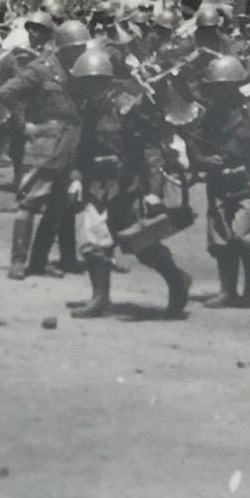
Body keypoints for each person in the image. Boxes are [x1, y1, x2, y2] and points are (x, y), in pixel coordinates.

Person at [63, 47, 193, 318]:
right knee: (92, 241)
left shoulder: (128, 108)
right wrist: (75, 178)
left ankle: (177, 279)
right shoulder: (90, 109)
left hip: (128, 185)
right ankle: (100, 298)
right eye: (83, 83)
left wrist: (154, 191)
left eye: (91, 83)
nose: (86, 89)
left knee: (141, 244)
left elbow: (150, 151)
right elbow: (82, 149)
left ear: (103, 82)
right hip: (97, 185)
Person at [0, 18, 90, 280]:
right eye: (75, 48)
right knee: (29, 204)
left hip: (69, 146)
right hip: (42, 146)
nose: (80, 53)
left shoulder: (78, 71)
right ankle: (18, 261)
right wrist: (24, 124)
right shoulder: (40, 70)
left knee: (58, 207)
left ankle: (38, 261)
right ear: (63, 47)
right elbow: (4, 93)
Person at [188, 54, 250, 306]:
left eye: (226, 86)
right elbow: (195, 145)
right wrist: (203, 160)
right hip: (220, 185)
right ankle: (227, 291)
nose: (220, 91)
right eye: (215, 87)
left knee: (246, 239)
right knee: (222, 241)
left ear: (237, 86)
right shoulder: (210, 115)